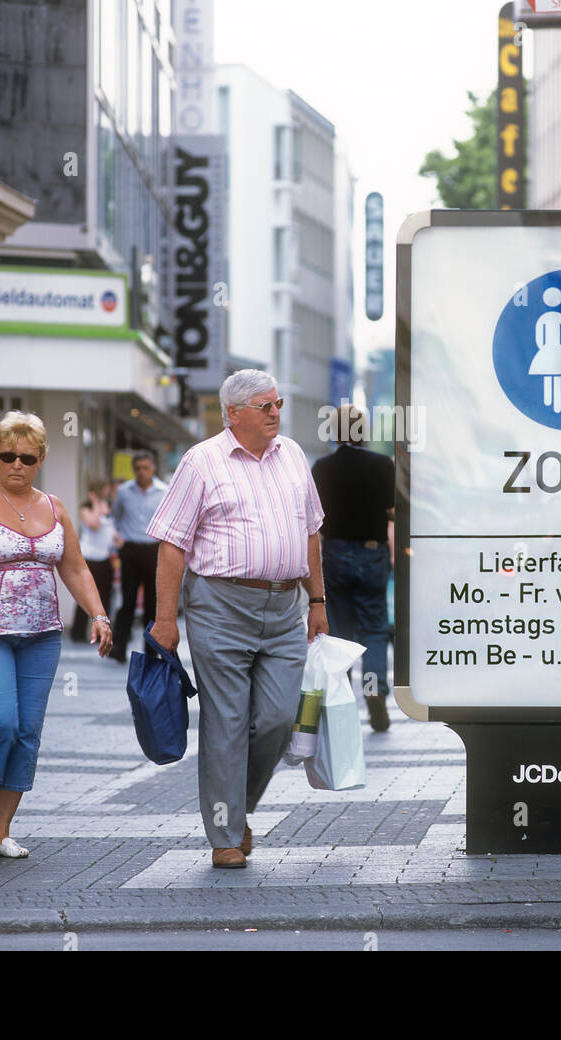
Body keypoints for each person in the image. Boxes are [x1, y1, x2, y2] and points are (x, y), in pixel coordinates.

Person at [146, 370, 327, 869]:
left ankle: (238, 808)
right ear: (234, 414)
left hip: (288, 606)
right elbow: (172, 542)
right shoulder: (201, 461)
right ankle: (225, 834)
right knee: (226, 722)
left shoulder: (292, 455)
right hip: (220, 606)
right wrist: (166, 619)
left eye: (278, 403)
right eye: (264, 405)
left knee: (278, 717)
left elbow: (312, 531)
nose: (275, 412)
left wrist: (318, 601)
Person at [0, 411, 112, 858]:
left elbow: (74, 566)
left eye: (27, 458)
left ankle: (1, 831)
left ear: (41, 459)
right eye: (8, 455)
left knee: (28, 731)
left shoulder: (54, 507)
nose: (17, 465)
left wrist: (99, 615)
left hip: (42, 635)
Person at [310, 405, 395, 732]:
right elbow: (392, 510)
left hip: (335, 552)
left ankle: (342, 700)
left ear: (334, 431)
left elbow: (314, 516)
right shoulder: (381, 465)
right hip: (372, 553)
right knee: (374, 629)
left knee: (341, 631)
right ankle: (374, 689)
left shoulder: (322, 467)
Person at [110, 450, 165, 661]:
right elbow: (116, 515)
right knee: (128, 601)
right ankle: (119, 647)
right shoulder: (124, 491)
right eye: (138, 468)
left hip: (153, 551)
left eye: (146, 468)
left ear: (153, 469)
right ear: (134, 469)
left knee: (153, 603)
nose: (142, 472)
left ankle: (151, 649)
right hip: (131, 550)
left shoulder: (163, 491)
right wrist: (121, 538)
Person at [71, 479, 117, 643]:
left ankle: (102, 632)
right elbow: (94, 524)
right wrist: (96, 503)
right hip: (89, 558)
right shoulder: (87, 508)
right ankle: (78, 632)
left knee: (105, 596)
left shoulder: (108, 506)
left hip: (104, 556)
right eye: (105, 488)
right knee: (85, 596)